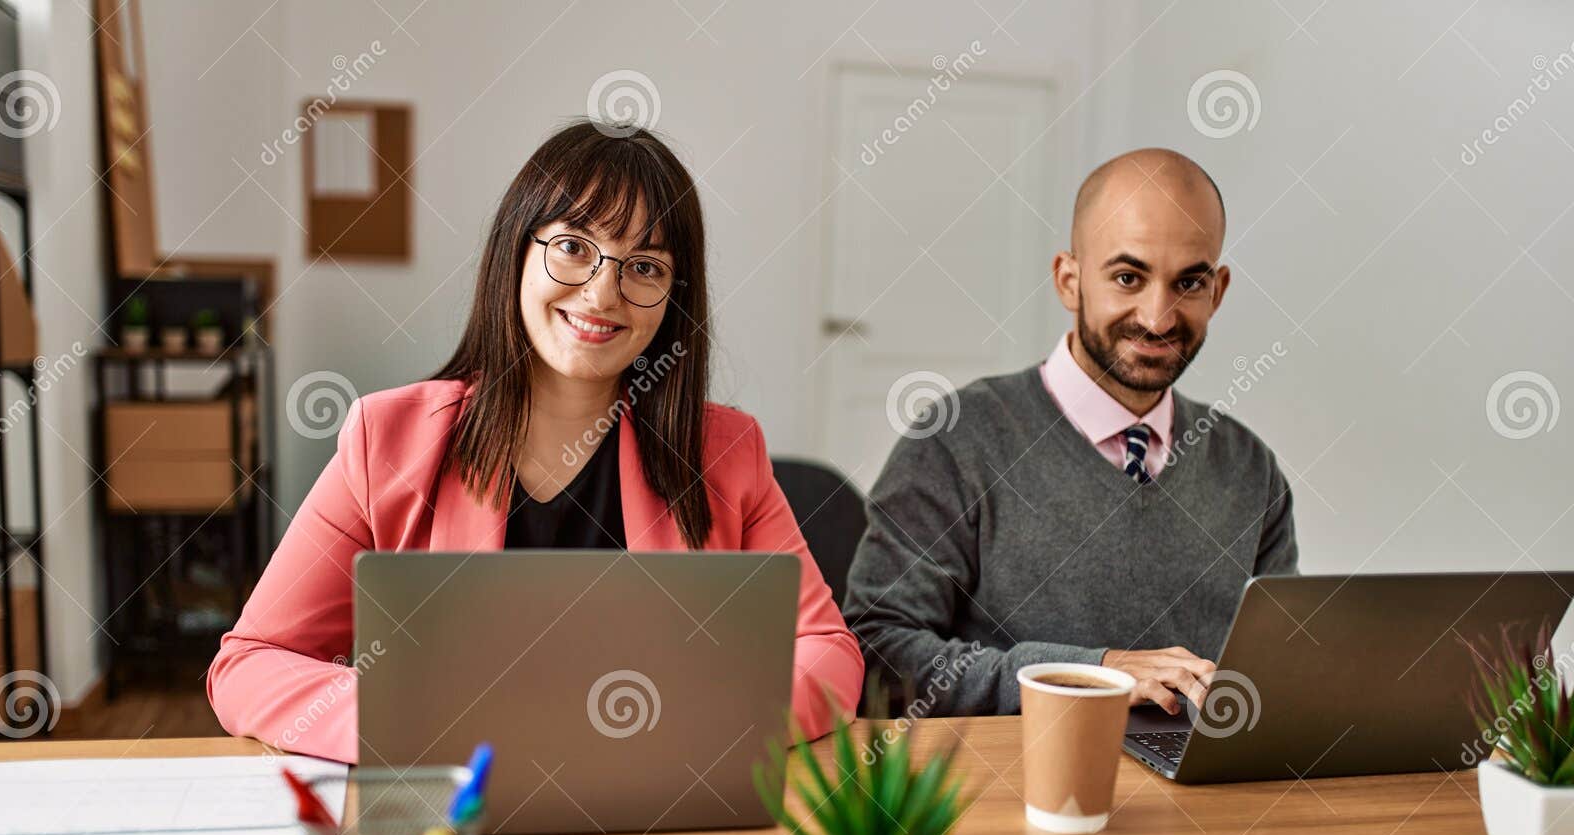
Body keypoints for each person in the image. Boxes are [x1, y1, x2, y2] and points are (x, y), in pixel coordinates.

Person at [208, 120, 863, 763]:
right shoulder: (389, 440)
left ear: (673, 298)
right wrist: (408, 718)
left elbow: (829, 652)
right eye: (574, 246)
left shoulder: (724, 448)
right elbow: (248, 664)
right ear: (516, 251)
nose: (603, 292)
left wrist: (717, 716)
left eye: (644, 266)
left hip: (655, 809)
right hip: (465, 814)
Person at [844, 147, 1298, 717]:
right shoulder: (956, 441)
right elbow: (878, 654)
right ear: (1069, 280)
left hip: (1203, 796)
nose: (1158, 317)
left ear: (1219, 291)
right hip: (1018, 789)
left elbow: (1282, 666)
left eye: (1189, 283)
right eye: (1128, 277)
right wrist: (1086, 675)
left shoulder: (1250, 469)